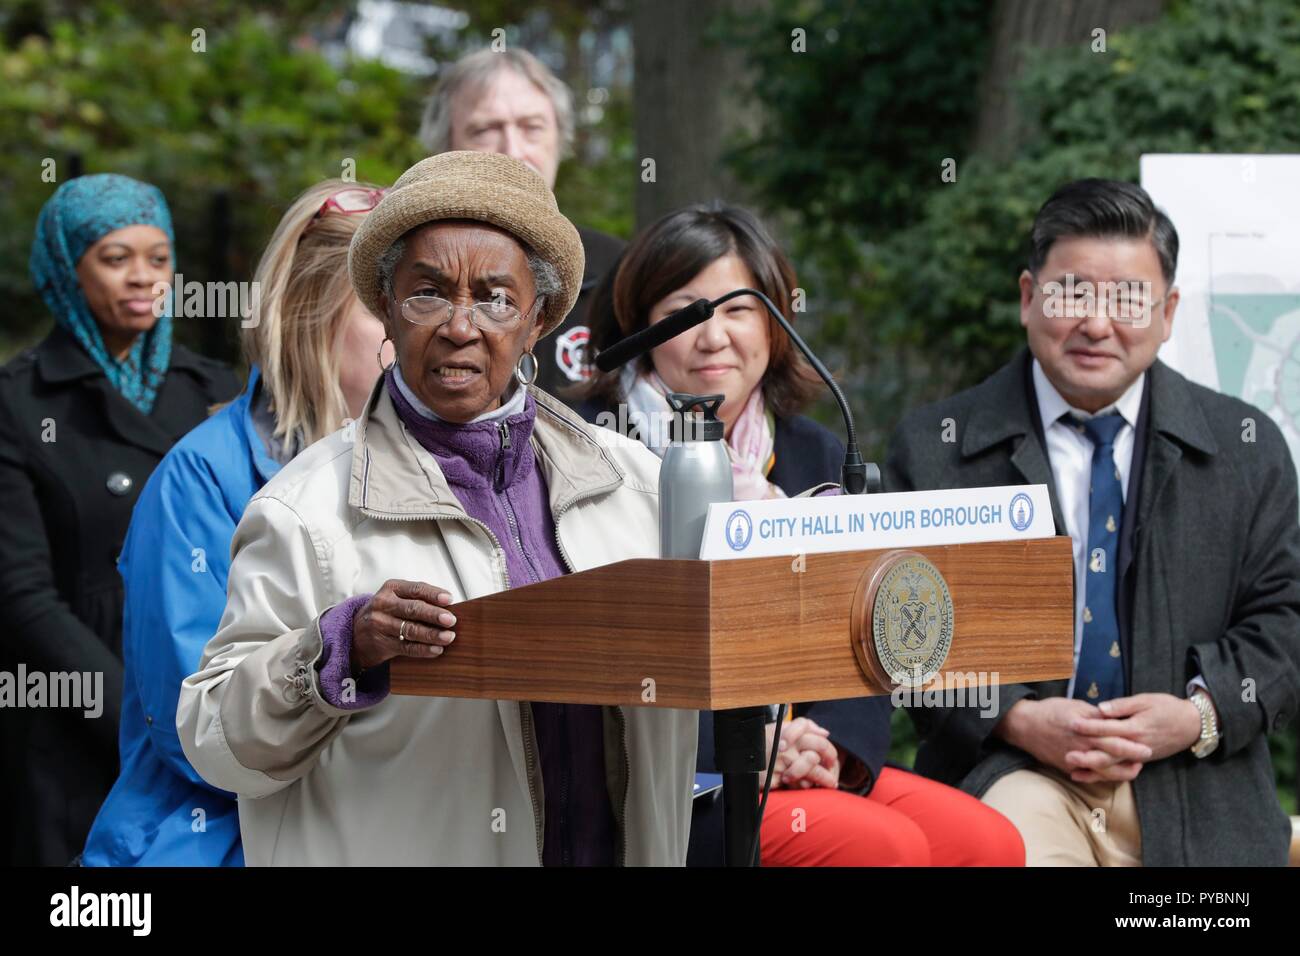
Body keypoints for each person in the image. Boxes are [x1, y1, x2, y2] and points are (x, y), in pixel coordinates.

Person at [176, 151, 697, 866]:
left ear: (537, 318)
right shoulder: (306, 509)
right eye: (427, 293)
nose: (460, 325)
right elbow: (214, 741)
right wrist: (341, 647)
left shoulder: (635, 485)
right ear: (387, 307)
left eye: (494, 298)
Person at [578, 202, 1025, 866]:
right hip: (667, 776)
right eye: (685, 310)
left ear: (775, 321)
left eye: (738, 309)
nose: (714, 335)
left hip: (801, 751)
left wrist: (829, 749)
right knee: (883, 846)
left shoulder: (814, 452)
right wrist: (740, 749)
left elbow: (867, 626)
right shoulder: (588, 448)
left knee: (986, 841)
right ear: (639, 320)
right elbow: (591, 657)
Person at [884, 178, 1300, 866]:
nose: (1097, 324)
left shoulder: (1244, 447)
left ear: (1167, 313)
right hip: (1012, 774)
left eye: (1129, 299)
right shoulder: (938, 447)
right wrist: (1015, 716)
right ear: (1027, 298)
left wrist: (1198, 714)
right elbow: (901, 634)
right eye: (1071, 293)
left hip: (1196, 783)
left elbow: (1285, 619)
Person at [81, 180, 387, 866]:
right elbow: (198, 734)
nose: (419, 327)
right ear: (313, 310)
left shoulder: (430, 464)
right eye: (381, 303)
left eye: (419, 298)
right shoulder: (199, 478)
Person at [0, 174, 240, 865]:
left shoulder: (214, 390)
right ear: (66, 269)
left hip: (210, 707)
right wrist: (141, 718)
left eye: (159, 259)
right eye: (115, 258)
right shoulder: (19, 403)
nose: (144, 278)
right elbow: (22, 594)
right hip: (80, 725)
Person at [420, 48, 624, 396]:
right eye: (485, 129)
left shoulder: (619, 272)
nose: (512, 150)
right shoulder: (407, 271)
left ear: (560, 141)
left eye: (532, 128)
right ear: (445, 147)